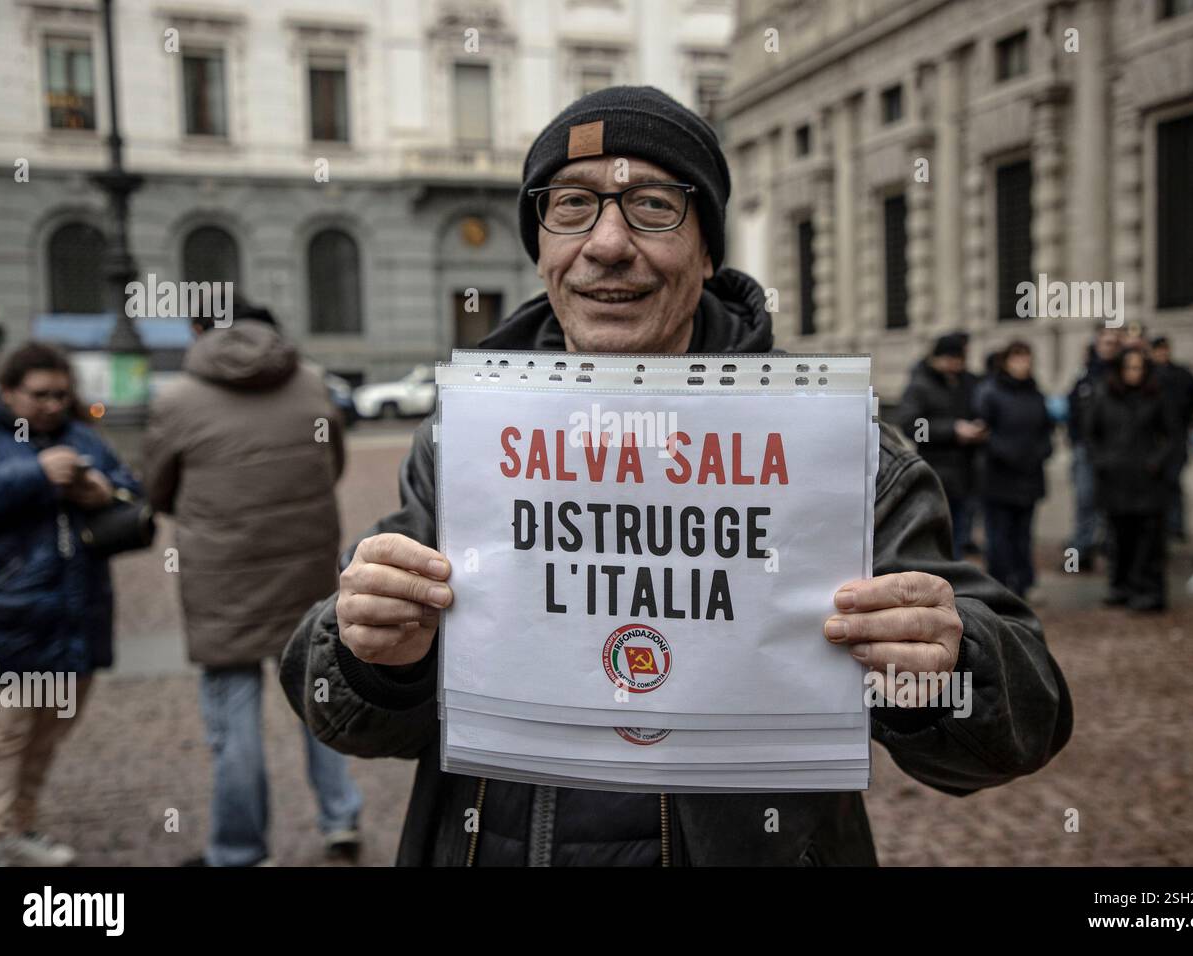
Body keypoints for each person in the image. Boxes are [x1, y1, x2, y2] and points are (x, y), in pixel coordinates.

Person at [281, 86, 1072, 866]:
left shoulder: (835, 452)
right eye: (572, 206)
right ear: (541, 245)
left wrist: (949, 664)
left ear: (708, 248)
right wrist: (372, 655)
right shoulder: (463, 444)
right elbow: (345, 710)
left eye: (653, 206)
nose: (608, 244)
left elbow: (1026, 719)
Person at [143, 304, 364, 866]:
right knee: (319, 697)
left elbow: (156, 489)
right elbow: (329, 464)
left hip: (223, 583)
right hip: (305, 570)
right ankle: (341, 819)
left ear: (201, 331)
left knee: (234, 727)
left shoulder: (176, 400)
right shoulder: (312, 384)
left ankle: (240, 851)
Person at [0, 343, 143, 867]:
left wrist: (101, 493)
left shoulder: (82, 438)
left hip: (74, 620)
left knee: (43, 740)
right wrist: (35, 475)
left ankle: (18, 830)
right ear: (8, 392)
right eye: (40, 394)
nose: (51, 405)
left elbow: (136, 507)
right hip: (2, 620)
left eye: (61, 395)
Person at [1087, 349, 1171, 611]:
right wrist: (1102, 461)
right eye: (1129, 368)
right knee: (1120, 536)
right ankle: (1121, 585)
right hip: (1116, 480)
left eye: (1138, 368)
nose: (1133, 373)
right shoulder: (1104, 396)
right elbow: (1091, 432)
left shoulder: (1156, 396)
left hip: (1146, 480)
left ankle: (1148, 589)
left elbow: (1172, 435)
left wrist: (1156, 462)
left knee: (1148, 538)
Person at [974, 340, 1053, 602]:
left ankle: (1023, 581)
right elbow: (982, 431)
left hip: (1029, 475)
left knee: (1023, 534)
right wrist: (1004, 452)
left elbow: (1045, 430)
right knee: (999, 534)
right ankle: (999, 584)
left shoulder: (1035, 394)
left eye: (1026, 358)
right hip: (999, 476)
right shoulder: (989, 392)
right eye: (1017, 358)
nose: (1023, 364)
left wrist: (1041, 451)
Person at [897, 333, 987, 558]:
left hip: (967, 470)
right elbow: (911, 426)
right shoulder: (920, 386)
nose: (954, 365)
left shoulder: (968, 382)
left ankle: (956, 578)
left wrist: (979, 427)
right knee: (939, 534)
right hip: (936, 471)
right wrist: (953, 430)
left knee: (961, 531)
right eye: (950, 359)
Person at [1065, 328, 1121, 566]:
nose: (1108, 348)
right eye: (1104, 343)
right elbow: (1074, 409)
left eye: (1112, 343)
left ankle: (1112, 549)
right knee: (1085, 500)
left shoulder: (1123, 375)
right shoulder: (1086, 375)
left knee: (1114, 503)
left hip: (1116, 451)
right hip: (1087, 449)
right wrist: (1077, 439)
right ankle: (1083, 550)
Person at [1149, 337, 1193, 541]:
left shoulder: (1182, 374)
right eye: (1158, 351)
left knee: (1173, 481)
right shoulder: (1148, 374)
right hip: (1154, 437)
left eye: (1164, 350)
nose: (1162, 354)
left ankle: (1175, 525)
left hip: (1176, 435)